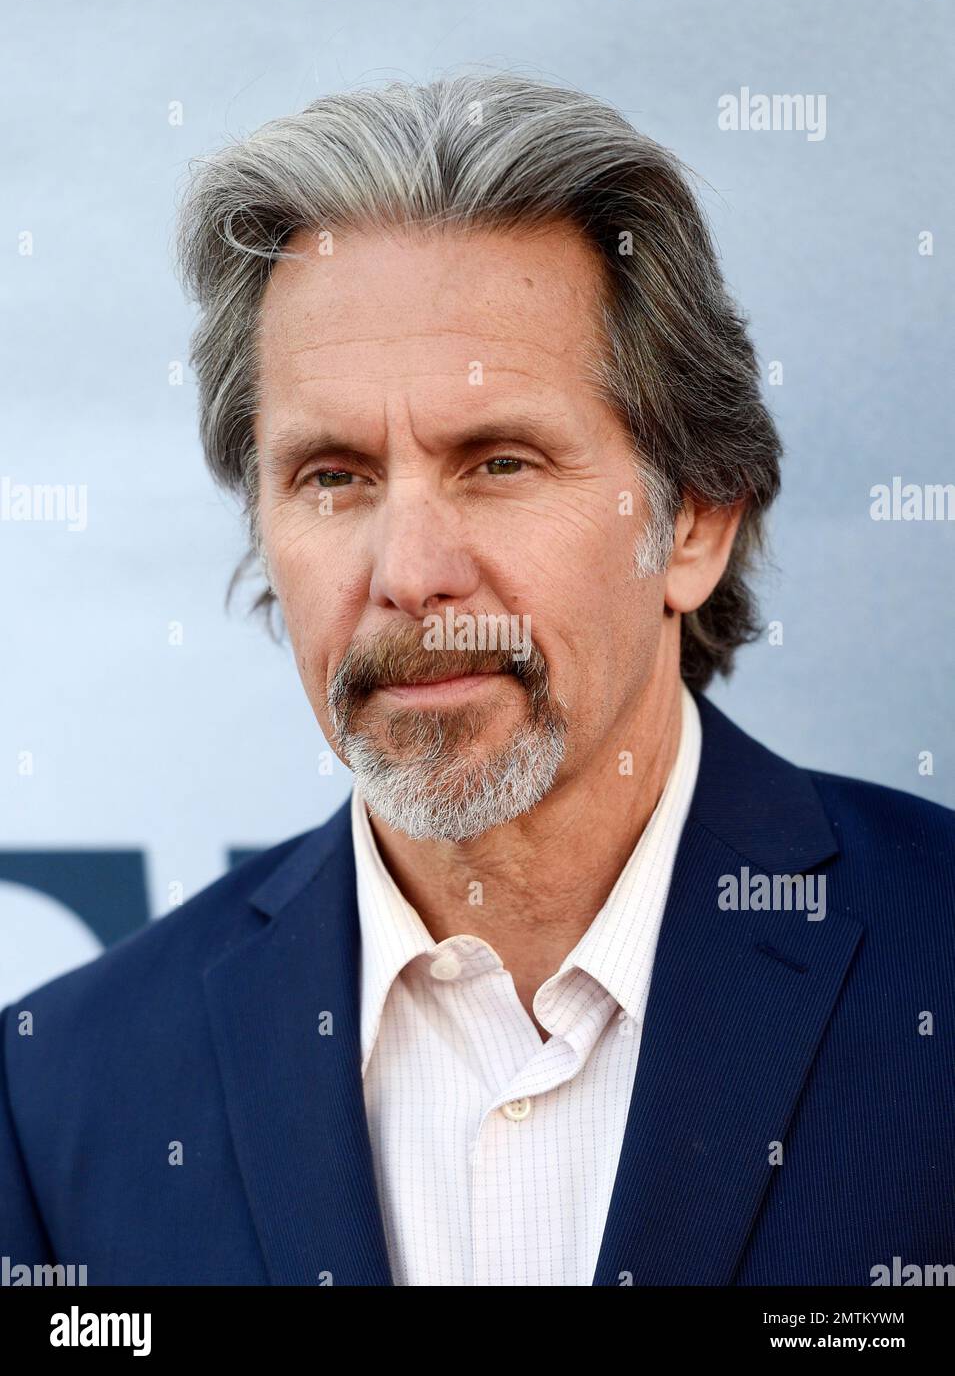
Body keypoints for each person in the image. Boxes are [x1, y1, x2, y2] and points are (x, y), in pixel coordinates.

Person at [2, 73, 953, 1287]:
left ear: (697, 520)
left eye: (498, 461)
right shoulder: (61, 1093)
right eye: (333, 477)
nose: (409, 572)